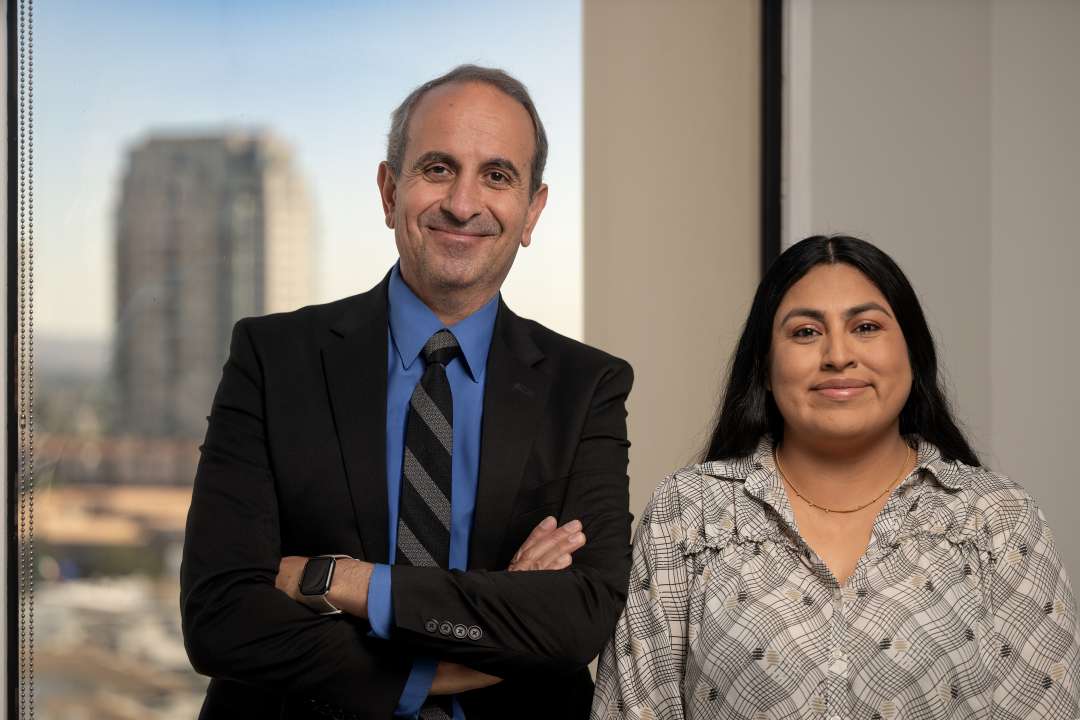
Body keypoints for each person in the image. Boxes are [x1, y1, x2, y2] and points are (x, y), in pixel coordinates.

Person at [181, 65, 634, 720]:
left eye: (498, 176)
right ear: (390, 190)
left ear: (532, 210)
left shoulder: (586, 385)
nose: (462, 203)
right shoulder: (273, 358)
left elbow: (578, 620)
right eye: (438, 169)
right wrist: (467, 645)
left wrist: (342, 581)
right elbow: (220, 615)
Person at [592, 235, 1079, 719]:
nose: (838, 355)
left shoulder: (998, 518)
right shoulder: (689, 511)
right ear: (764, 366)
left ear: (912, 355)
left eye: (866, 327)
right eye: (805, 332)